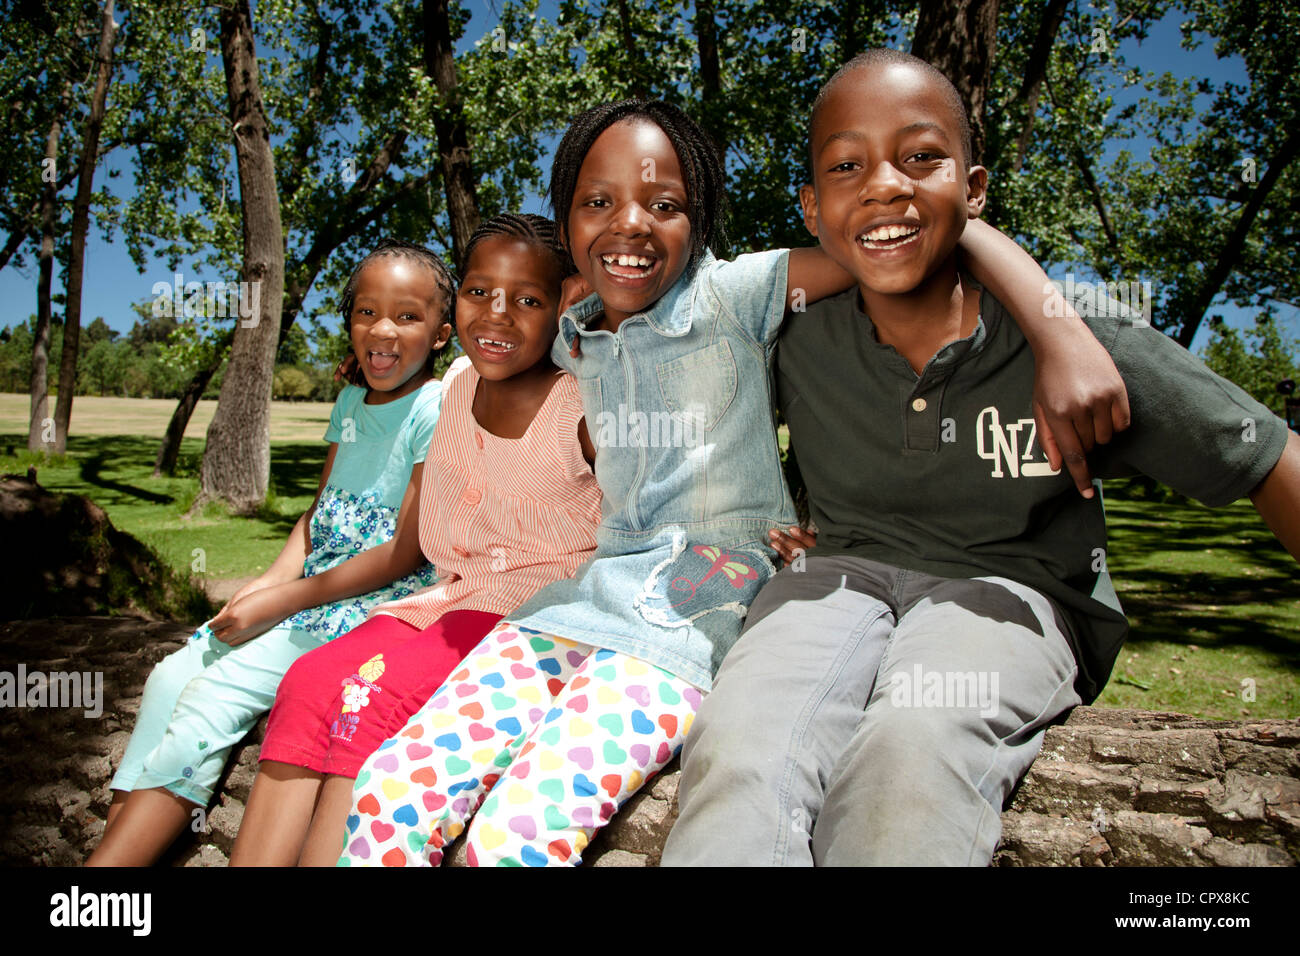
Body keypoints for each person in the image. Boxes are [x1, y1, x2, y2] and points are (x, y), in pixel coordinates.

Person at [339, 99, 1131, 867]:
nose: (631, 225)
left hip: (695, 615)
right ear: (568, 223)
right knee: (387, 792)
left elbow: (888, 239)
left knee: (514, 834)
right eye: (598, 203)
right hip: (585, 602)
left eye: (666, 203)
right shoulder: (574, 332)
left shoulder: (738, 293)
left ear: (703, 219)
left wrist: (1057, 321)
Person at [662, 49, 1300, 867]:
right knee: (741, 741)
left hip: (1010, 591)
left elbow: (1268, 458)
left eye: (922, 155)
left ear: (975, 188)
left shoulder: (1077, 339)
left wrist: (1056, 324)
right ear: (813, 208)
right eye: (847, 165)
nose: (886, 184)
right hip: (838, 582)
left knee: (914, 742)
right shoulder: (795, 334)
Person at [228, 214, 601, 866]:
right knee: (311, 679)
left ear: (565, 300)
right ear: (456, 304)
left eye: (529, 300)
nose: (499, 315)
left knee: (368, 700)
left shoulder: (582, 403)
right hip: (445, 599)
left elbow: (642, 508)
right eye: (480, 292)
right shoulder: (455, 384)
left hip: (530, 616)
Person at [85, 238, 455, 866]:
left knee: (212, 698)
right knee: (170, 675)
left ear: (442, 334)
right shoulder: (348, 402)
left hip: (360, 612)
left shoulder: (435, 405)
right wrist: (267, 582)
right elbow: (318, 514)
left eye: (407, 315)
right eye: (366, 312)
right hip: (304, 597)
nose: (382, 329)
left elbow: (403, 552)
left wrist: (286, 600)